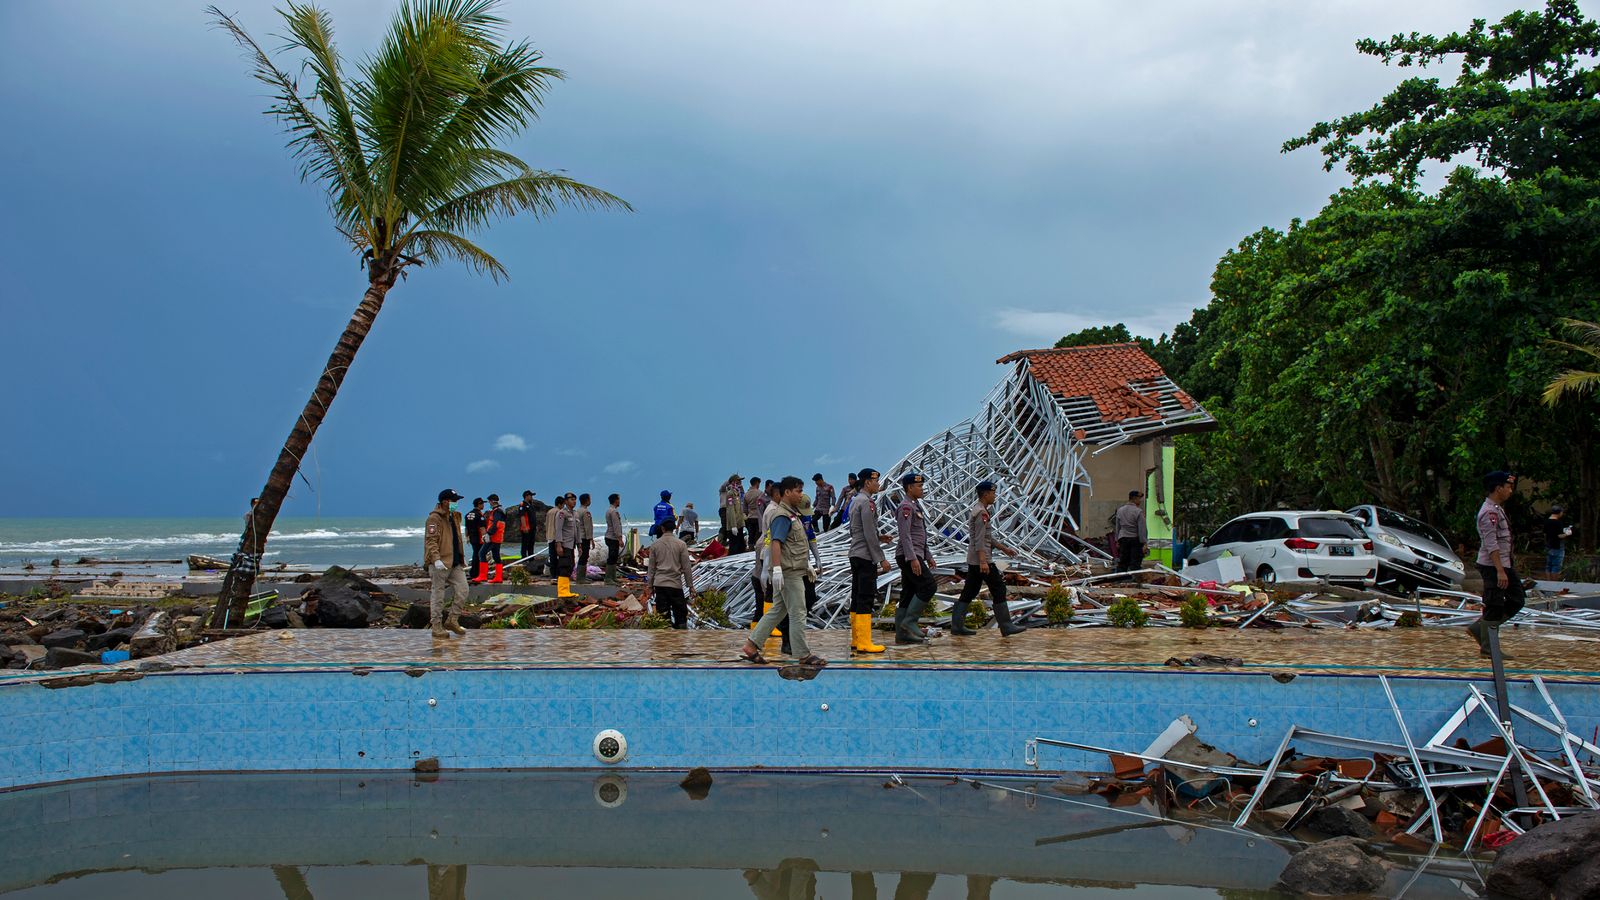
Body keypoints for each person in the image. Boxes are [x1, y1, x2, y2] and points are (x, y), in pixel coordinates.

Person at [739, 477, 826, 667]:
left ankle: (751, 645)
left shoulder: (792, 515)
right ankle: (802, 654)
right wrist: (776, 569)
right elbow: (776, 542)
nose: (800, 494)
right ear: (787, 492)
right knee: (798, 612)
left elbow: (794, 544)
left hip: (793, 568)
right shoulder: (782, 516)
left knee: (778, 609)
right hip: (789, 572)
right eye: (798, 491)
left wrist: (806, 564)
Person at [951, 481, 1024, 637]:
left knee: (970, 590)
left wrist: (1004, 548)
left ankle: (957, 625)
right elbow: (979, 539)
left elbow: (987, 537)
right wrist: (983, 561)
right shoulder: (981, 513)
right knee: (998, 588)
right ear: (985, 494)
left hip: (975, 559)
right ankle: (1006, 625)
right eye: (992, 493)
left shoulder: (980, 510)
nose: (994, 496)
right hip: (981, 560)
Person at [1472, 471, 1525, 657]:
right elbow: (1491, 543)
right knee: (1494, 604)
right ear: (1498, 488)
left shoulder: (1497, 508)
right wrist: (1500, 570)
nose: (1510, 490)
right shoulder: (1489, 512)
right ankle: (1488, 648)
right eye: (1508, 486)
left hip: (1503, 564)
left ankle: (1480, 628)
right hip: (1493, 565)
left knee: (1517, 599)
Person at [846, 467, 888, 654]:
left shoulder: (855, 501)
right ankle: (865, 642)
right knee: (866, 597)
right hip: (865, 556)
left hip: (855, 553)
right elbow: (869, 533)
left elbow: (858, 530)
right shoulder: (868, 503)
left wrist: (880, 537)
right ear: (868, 482)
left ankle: (856, 639)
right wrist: (881, 559)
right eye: (876, 481)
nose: (878, 484)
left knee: (856, 596)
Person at [895, 472, 935, 645]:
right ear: (909, 488)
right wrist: (913, 559)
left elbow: (921, 534)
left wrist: (928, 556)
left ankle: (902, 635)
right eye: (919, 486)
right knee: (928, 585)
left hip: (915, 554)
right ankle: (909, 623)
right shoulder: (905, 507)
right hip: (907, 555)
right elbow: (905, 536)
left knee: (908, 592)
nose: (922, 489)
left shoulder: (915, 506)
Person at [423, 489, 468, 639]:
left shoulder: (454, 516)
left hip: (455, 562)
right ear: (445, 501)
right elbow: (431, 541)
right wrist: (435, 559)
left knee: (463, 590)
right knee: (438, 595)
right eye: (454, 501)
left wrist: (461, 557)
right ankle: (436, 626)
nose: (456, 504)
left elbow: (457, 539)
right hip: (440, 563)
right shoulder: (434, 519)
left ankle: (452, 620)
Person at [642, 516, 697, 628]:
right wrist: (690, 586)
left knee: (663, 618)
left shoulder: (655, 545)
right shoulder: (681, 544)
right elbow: (687, 567)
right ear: (673, 528)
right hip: (675, 585)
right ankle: (680, 642)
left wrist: (650, 586)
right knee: (681, 616)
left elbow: (651, 569)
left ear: (662, 528)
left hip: (660, 585)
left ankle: (665, 643)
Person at [1113, 490, 1148, 574]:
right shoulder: (1138, 511)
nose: (1140, 501)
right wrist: (1144, 542)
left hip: (1123, 539)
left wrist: (1117, 540)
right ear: (1134, 499)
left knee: (1123, 561)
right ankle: (1134, 580)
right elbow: (1142, 528)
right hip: (1135, 539)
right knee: (1135, 562)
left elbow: (1118, 527)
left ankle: (1119, 579)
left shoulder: (1120, 510)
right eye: (1139, 499)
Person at [476, 493, 506, 584]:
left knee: (481, 553)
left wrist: (488, 534)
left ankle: (482, 576)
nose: (489, 503)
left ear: (492, 501)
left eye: (489, 501)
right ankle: (498, 577)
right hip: (498, 537)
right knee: (496, 556)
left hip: (493, 537)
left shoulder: (497, 511)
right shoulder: (500, 510)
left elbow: (496, 524)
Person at [557, 492, 580, 581]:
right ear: (566, 501)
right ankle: (563, 591)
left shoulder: (575, 514)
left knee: (571, 566)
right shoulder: (562, 513)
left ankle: (566, 590)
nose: (574, 501)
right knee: (564, 567)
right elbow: (558, 530)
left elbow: (577, 531)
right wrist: (559, 545)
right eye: (572, 499)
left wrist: (579, 545)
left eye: (575, 500)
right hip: (565, 544)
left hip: (572, 545)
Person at [1545, 504, 1572, 580]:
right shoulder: (1558, 523)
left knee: (1548, 566)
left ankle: (1548, 584)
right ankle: (1554, 585)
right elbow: (1559, 535)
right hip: (1557, 546)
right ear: (1559, 512)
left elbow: (1545, 533)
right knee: (1556, 566)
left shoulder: (1547, 521)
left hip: (1548, 545)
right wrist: (1567, 534)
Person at [515, 490, 541, 564]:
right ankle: (524, 558)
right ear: (526, 496)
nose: (532, 497)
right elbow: (522, 516)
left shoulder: (530, 505)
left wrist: (536, 526)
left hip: (532, 528)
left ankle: (531, 558)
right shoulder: (522, 504)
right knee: (525, 544)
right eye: (531, 495)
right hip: (526, 528)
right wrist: (524, 526)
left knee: (531, 543)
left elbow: (533, 517)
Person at [464, 497, 486, 580]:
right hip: (479, 538)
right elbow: (482, 528)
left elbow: (466, 528)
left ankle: (473, 573)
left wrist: (467, 537)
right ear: (479, 504)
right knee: (479, 555)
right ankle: (476, 573)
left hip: (472, 538)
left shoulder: (468, 514)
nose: (483, 505)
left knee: (475, 554)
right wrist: (485, 538)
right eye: (482, 503)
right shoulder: (479, 515)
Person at [604, 493, 624, 584]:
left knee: (614, 557)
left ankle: (612, 577)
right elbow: (616, 526)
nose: (619, 501)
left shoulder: (609, 510)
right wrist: (620, 539)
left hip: (610, 536)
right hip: (613, 537)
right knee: (612, 557)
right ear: (616, 500)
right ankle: (608, 578)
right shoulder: (614, 512)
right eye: (619, 499)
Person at [576, 493, 595, 582]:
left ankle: (581, 576)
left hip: (579, 537)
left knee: (582, 556)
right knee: (584, 556)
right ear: (587, 500)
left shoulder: (577, 511)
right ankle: (580, 578)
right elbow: (588, 527)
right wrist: (591, 539)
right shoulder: (586, 512)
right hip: (584, 537)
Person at [544, 496, 563, 578]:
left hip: (549, 536)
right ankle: (557, 574)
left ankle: (553, 574)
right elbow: (558, 526)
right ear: (560, 504)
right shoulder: (559, 512)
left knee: (552, 556)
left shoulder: (549, 511)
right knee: (558, 557)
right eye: (563, 504)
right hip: (556, 537)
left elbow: (546, 524)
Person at [744, 476, 765, 547]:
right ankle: (757, 551)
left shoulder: (746, 494)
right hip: (758, 518)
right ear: (757, 483)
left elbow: (744, 509)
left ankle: (750, 548)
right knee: (758, 536)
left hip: (750, 517)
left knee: (751, 535)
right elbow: (763, 506)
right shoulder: (760, 493)